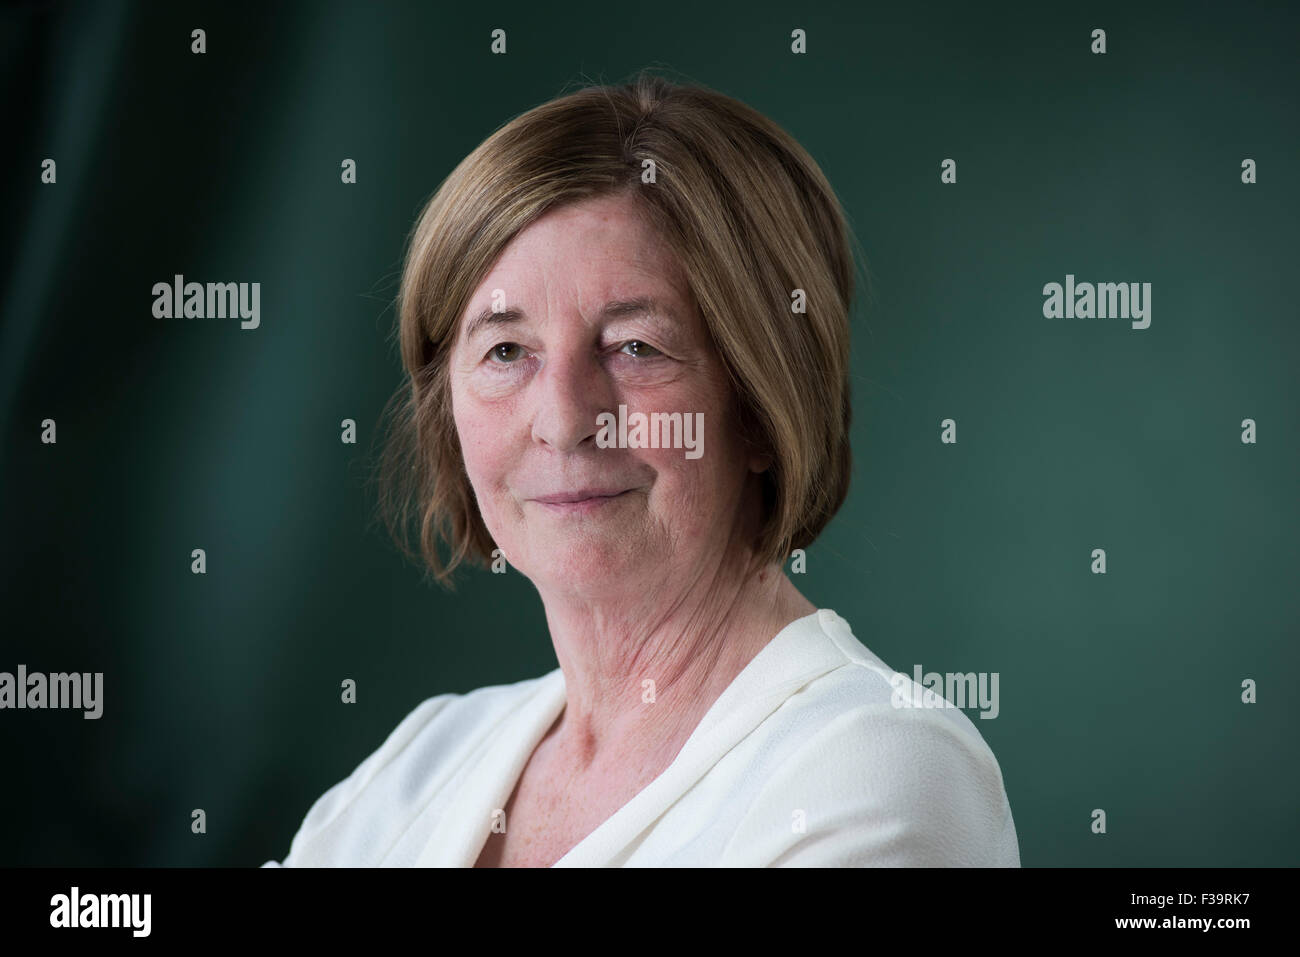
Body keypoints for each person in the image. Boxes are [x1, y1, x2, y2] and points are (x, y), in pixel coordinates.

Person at [263, 70, 1020, 867]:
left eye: (635, 347)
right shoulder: (424, 763)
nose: (562, 420)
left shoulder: (876, 771)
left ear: (763, 406)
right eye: (506, 350)